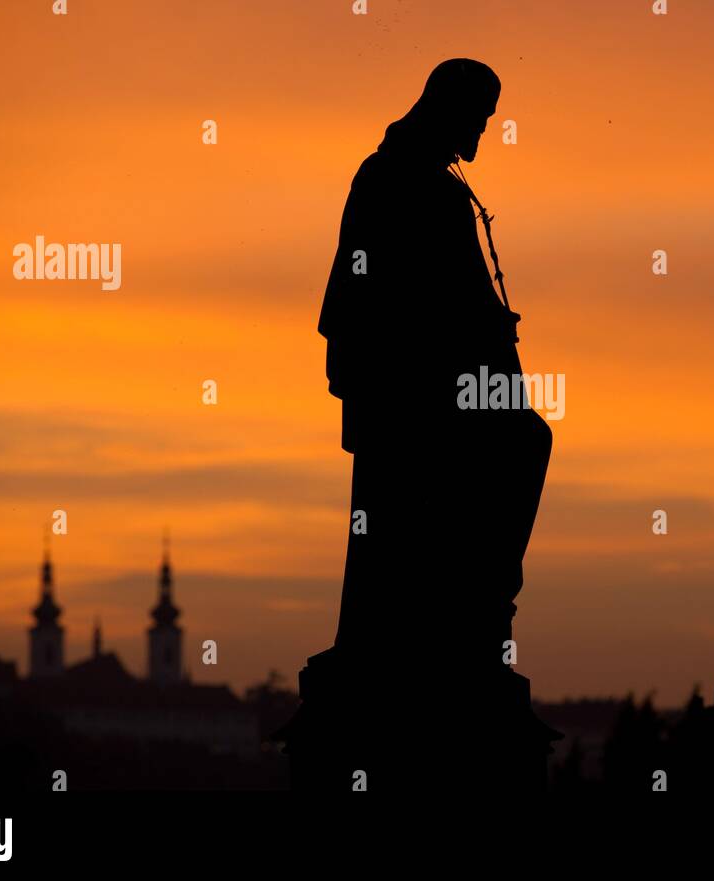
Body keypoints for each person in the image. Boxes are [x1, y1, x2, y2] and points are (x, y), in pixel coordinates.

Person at [284, 59, 558, 793]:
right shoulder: (399, 181)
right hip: (414, 401)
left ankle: (479, 612)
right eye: (479, 117)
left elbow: (454, 298)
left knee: (525, 437)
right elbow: (365, 299)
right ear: (449, 108)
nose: (483, 131)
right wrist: (472, 340)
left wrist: (488, 333)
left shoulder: (424, 181)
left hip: (435, 391)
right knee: (524, 441)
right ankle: (481, 613)